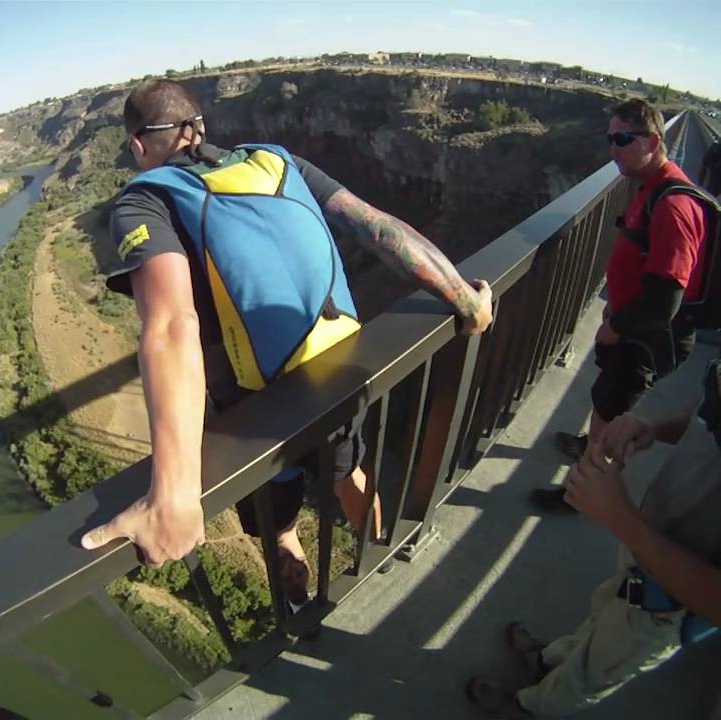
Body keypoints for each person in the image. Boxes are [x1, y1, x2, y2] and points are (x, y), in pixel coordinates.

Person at [80, 80, 493, 595]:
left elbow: (171, 325)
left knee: (278, 523)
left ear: (138, 146)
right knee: (352, 478)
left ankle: (297, 610)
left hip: (257, 414)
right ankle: (388, 559)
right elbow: (379, 229)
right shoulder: (277, 159)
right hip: (339, 375)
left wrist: (173, 493)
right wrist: (465, 299)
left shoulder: (145, 200)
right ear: (201, 127)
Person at [469, 359, 721, 718]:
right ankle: (548, 661)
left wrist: (622, 518)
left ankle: (530, 707)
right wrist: (652, 427)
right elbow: (706, 414)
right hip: (645, 551)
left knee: (596, 670)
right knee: (603, 615)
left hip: (669, 602)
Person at [535, 99, 708, 513]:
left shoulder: (673, 206)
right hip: (632, 326)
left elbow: (664, 300)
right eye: (610, 138)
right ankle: (590, 446)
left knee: (611, 412)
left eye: (622, 139)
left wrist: (615, 326)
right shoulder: (651, 187)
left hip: (647, 338)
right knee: (604, 404)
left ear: (651, 140)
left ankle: (581, 494)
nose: (613, 148)